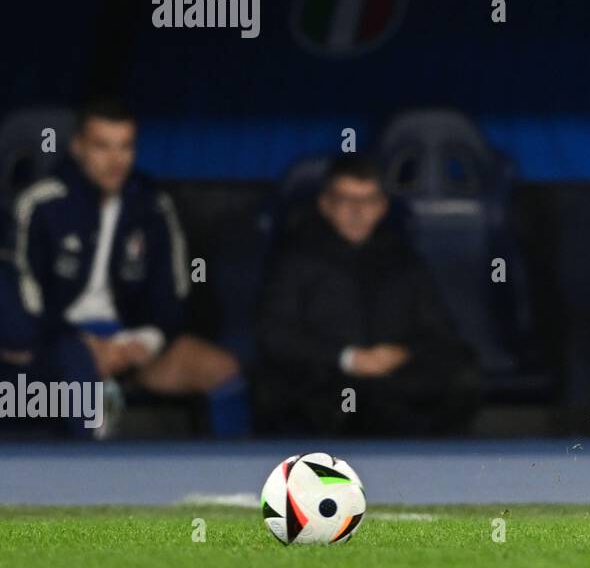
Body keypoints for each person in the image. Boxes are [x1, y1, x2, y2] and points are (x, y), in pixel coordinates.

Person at [7, 97, 239, 437]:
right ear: (78, 147)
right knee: (76, 364)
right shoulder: (42, 204)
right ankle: (89, 476)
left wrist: (145, 340)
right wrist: (84, 344)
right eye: (102, 147)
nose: (116, 160)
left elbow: (172, 294)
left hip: (132, 341)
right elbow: (23, 300)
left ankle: (234, 476)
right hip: (62, 342)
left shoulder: (153, 205)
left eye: (125, 147)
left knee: (221, 369)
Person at [255, 155, 479, 435]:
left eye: (368, 200)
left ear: (383, 207)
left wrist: (401, 353)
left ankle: (436, 469)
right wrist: (350, 359)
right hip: (326, 381)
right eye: (346, 200)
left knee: (461, 375)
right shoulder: (295, 258)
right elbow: (275, 335)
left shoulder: (403, 259)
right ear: (325, 204)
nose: (358, 211)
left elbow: (440, 330)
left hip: (393, 377)